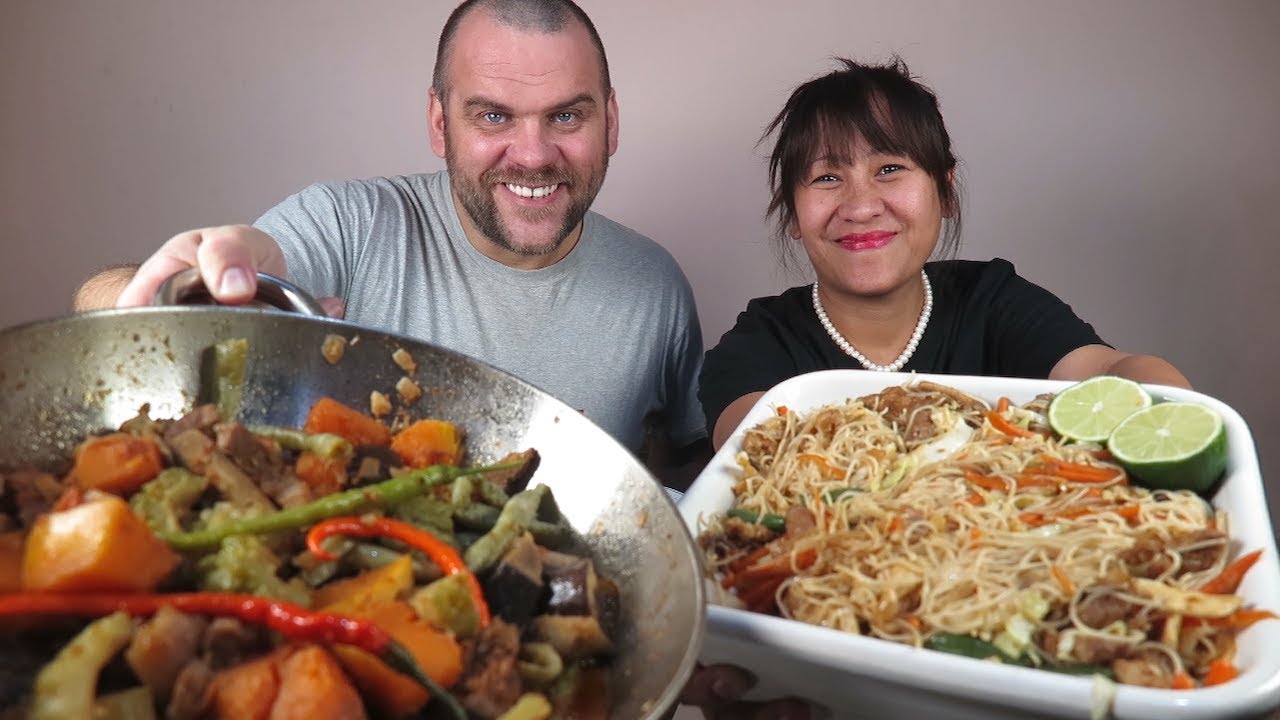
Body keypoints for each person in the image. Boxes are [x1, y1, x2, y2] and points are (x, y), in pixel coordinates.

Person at [73, 0, 710, 490]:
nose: (533, 154)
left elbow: (681, 478)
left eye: (566, 116)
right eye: (492, 116)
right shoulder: (346, 225)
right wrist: (181, 295)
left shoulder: (656, 287)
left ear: (610, 121)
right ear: (439, 122)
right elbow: (119, 304)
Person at [700, 57, 1190, 449]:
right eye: (827, 177)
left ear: (946, 191)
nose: (862, 207)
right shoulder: (758, 343)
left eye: (889, 169)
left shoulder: (993, 301)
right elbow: (750, 446)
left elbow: (1107, 372)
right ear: (792, 214)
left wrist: (1171, 413)